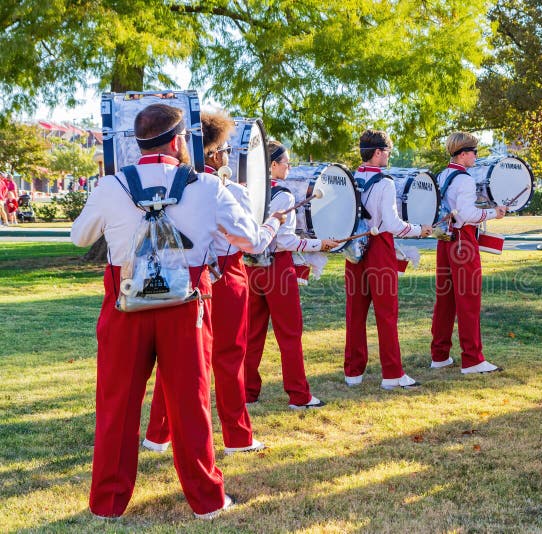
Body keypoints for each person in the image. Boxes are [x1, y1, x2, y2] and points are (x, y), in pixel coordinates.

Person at [71, 103, 281, 519]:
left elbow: (80, 237)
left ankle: (107, 504)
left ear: (138, 144)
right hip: (185, 311)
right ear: (180, 140)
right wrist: (270, 225)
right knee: (191, 405)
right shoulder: (207, 186)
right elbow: (251, 241)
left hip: (123, 307)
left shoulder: (112, 186)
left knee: (117, 405)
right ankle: (207, 499)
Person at [143, 110, 281, 454]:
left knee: (176, 360)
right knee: (229, 358)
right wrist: (275, 223)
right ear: (216, 152)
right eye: (224, 150)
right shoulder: (228, 188)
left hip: (184, 277)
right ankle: (237, 437)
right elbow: (255, 242)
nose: (226, 156)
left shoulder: (172, 185)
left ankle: (158, 434)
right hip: (227, 275)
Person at [244, 140, 337, 407]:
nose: (289, 167)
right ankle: (299, 394)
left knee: (252, 334)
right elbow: (286, 242)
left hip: (251, 268)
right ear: (272, 165)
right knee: (289, 333)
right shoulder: (283, 195)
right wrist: (319, 244)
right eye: (286, 163)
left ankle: (248, 393)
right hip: (277, 269)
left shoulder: (248, 190)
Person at [343, 129, 433, 390]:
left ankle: (353, 372)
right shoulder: (385, 182)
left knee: (355, 313)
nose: (388, 157)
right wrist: (419, 230)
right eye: (387, 152)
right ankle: (392, 374)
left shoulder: (352, 178)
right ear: (378, 152)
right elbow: (392, 224)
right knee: (386, 313)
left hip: (355, 248)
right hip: (379, 247)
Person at [430, 132, 506, 375]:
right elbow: (467, 215)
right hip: (463, 241)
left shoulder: (443, 175)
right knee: (468, 301)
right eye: (474, 152)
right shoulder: (464, 179)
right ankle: (472, 359)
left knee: (445, 300)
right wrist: (495, 213)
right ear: (463, 154)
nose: (476, 156)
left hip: (445, 242)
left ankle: (439, 354)